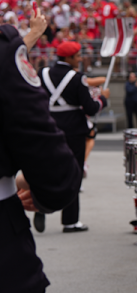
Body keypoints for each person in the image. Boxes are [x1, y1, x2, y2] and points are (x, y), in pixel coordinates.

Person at [1, 6, 81, 293]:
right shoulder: (7, 49)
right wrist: (47, 189)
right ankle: (71, 219)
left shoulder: (45, 71)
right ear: (73, 57)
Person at [38, 41, 110, 234]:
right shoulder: (78, 78)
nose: (80, 59)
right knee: (74, 172)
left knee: (44, 169)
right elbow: (90, 108)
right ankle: (70, 221)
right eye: (77, 56)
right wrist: (103, 98)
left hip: (47, 126)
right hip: (72, 131)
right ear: (69, 58)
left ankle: (39, 206)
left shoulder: (42, 73)